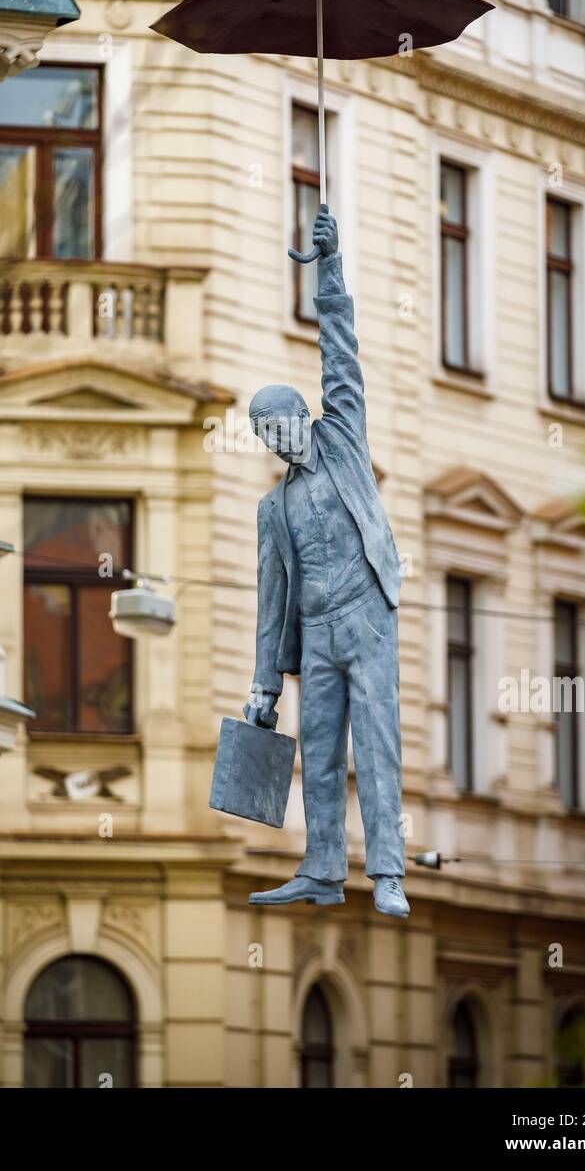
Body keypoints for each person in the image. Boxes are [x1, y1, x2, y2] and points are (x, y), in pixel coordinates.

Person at [244, 204, 409, 918]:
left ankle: (390, 871)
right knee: (318, 752)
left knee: (376, 742)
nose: (271, 440)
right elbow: (269, 604)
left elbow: (340, 351)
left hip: (365, 616)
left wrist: (331, 268)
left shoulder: (342, 437)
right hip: (315, 638)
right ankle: (322, 868)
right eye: (260, 434)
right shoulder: (272, 510)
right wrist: (262, 688)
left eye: (275, 424)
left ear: (301, 416)